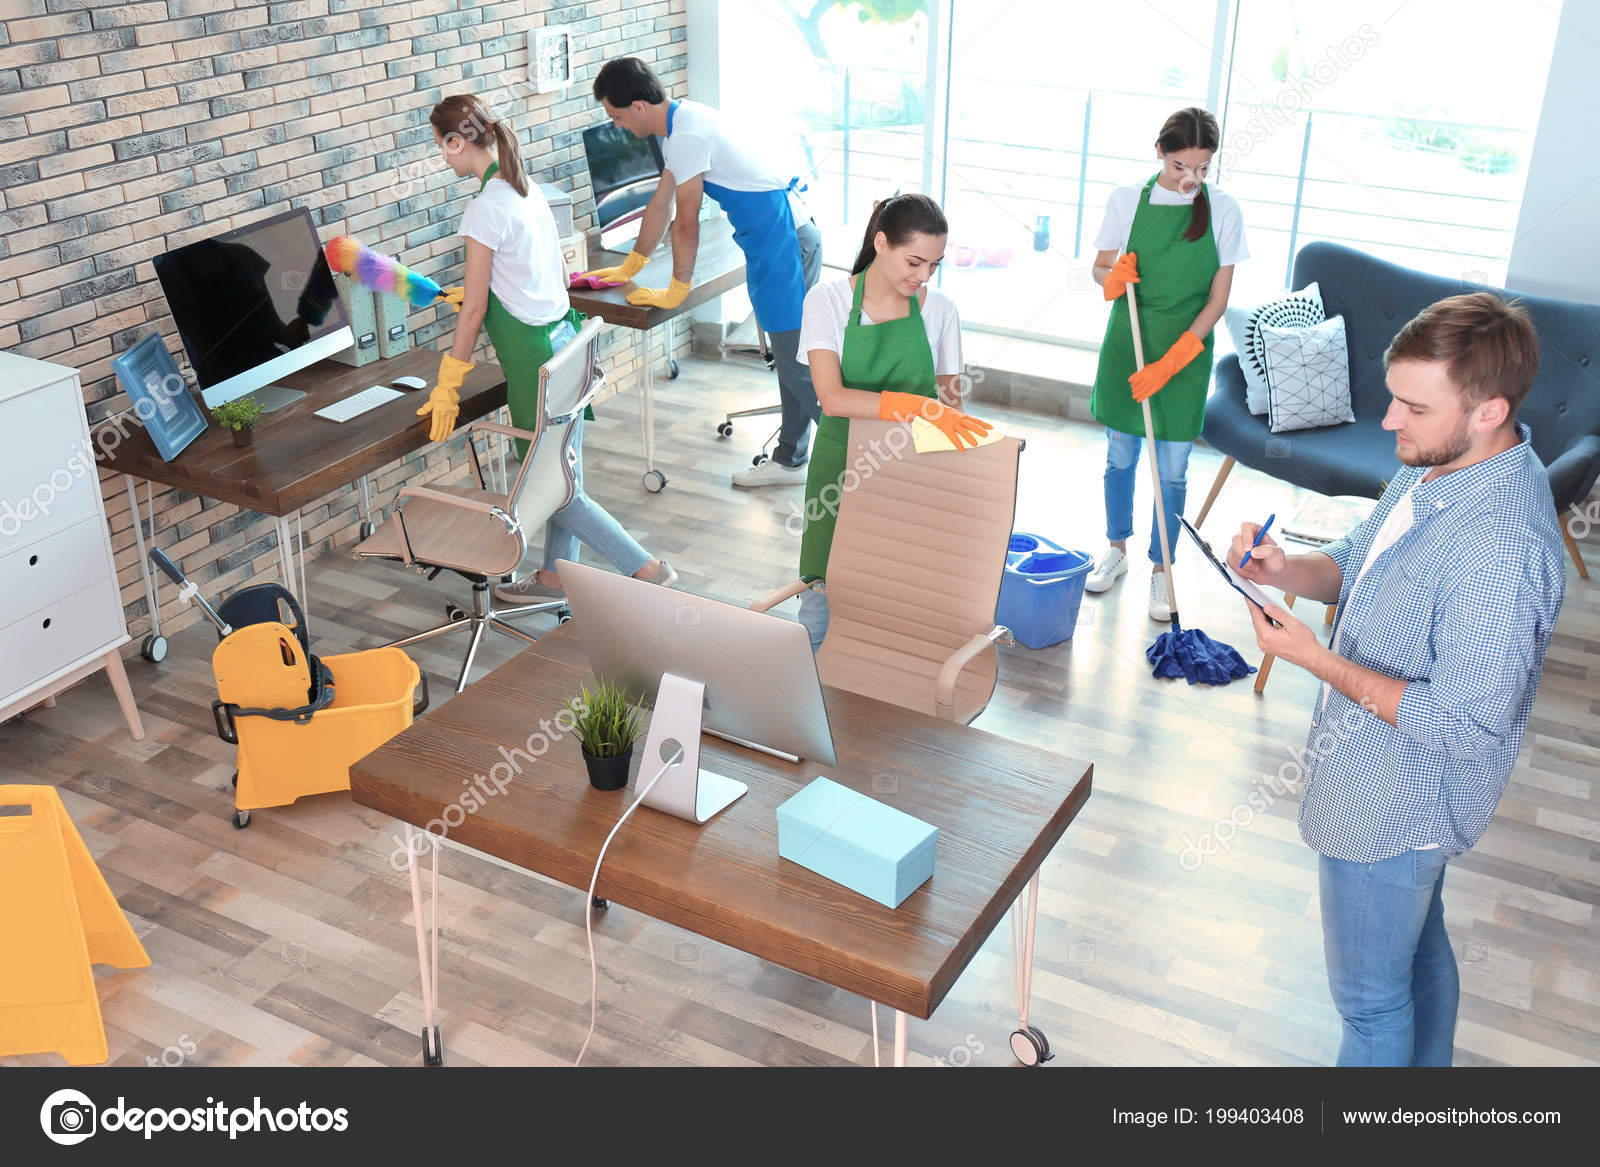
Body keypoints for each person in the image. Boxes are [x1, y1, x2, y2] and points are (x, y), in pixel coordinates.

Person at [1226, 294, 1567, 1066]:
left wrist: (1315, 659)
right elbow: (1353, 558)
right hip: (1384, 785)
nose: (1388, 421)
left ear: (1488, 411)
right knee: (1414, 955)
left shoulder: (1501, 546)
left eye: (1413, 405)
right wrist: (1285, 570)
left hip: (1396, 806)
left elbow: (1466, 724)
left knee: (1371, 1007)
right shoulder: (1442, 469)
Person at [417, 94, 676, 603]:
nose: (442, 158)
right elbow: (555, 274)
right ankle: (556, 577)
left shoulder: (485, 209)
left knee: (552, 488)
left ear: (458, 141)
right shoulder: (528, 189)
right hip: (567, 344)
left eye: (442, 147)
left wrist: (449, 384)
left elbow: (473, 315)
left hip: (535, 360)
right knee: (564, 472)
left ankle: (644, 569)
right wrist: (482, 290)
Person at [587, 56, 824, 489]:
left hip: (782, 242)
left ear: (638, 106)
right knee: (794, 360)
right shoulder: (685, 121)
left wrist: (679, 286)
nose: (618, 126)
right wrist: (632, 265)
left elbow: (687, 219)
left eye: (617, 116)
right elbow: (661, 203)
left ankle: (865, 462)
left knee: (795, 364)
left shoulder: (687, 134)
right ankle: (791, 460)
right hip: (786, 235)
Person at [795, 194, 993, 650]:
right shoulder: (826, 300)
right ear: (880, 243)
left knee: (898, 596)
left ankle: (875, 701)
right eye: (915, 261)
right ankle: (796, 699)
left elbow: (950, 404)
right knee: (820, 596)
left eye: (934, 265)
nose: (923, 276)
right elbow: (833, 397)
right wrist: (916, 407)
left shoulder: (940, 309)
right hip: (841, 468)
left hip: (913, 471)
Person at [1086, 107, 1247, 621]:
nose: (1190, 180)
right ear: (1160, 151)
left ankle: (1162, 571)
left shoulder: (1222, 209)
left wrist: (1172, 364)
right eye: (1181, 166)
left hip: (1187, 352)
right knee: (1120, 455)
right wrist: (1114, 279)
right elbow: (1099, 268)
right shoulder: (1126, 200)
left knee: (1172, 469)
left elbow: (1218, 300)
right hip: (1128, 345)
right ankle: (1116, 550)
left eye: (1202, 169)